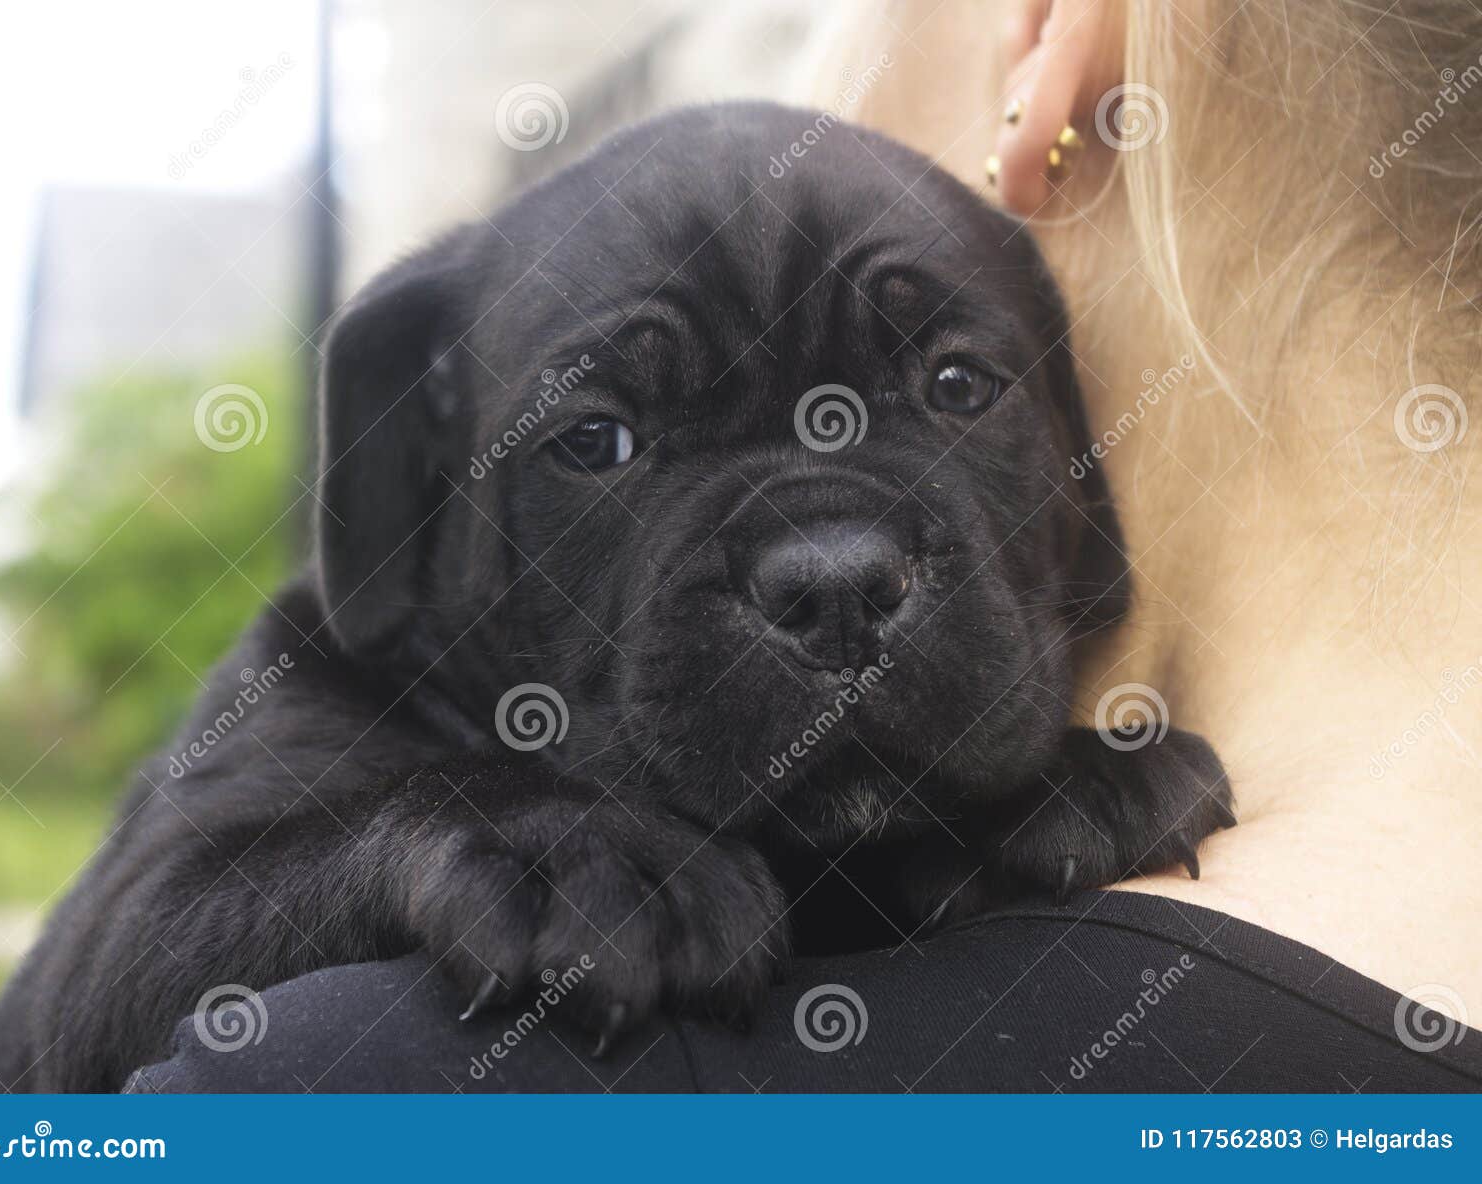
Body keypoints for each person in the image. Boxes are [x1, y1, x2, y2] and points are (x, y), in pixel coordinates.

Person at [123, 0, 1482, 1092]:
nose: (831, 573)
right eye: (598, 442)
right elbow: (76, 1034)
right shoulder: (337, 719)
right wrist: (433, 838)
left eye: (956, 389)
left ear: (1065, 43)